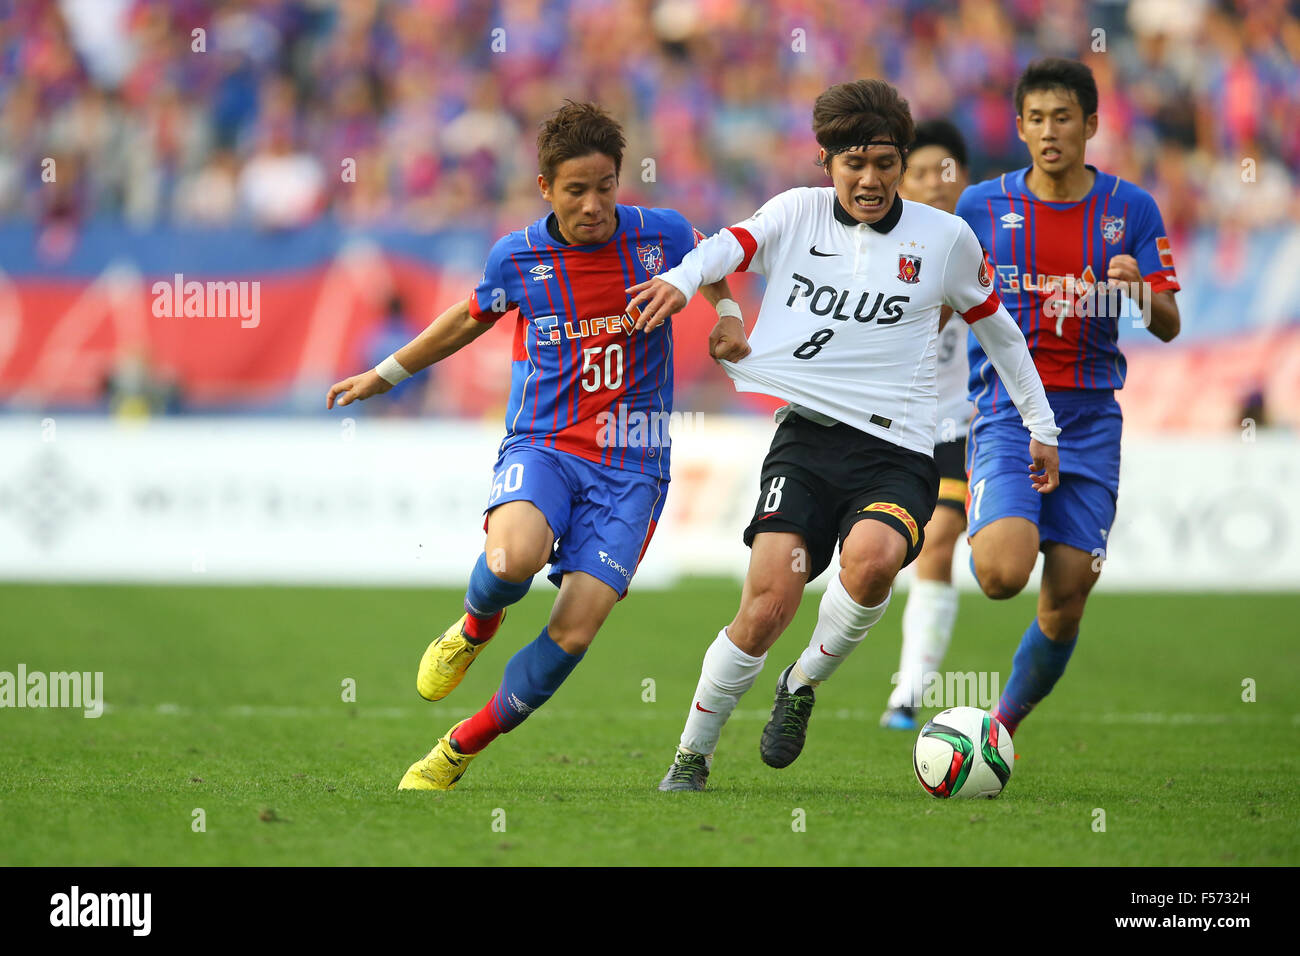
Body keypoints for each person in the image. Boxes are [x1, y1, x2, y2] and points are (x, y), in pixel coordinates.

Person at [626, 80, 1061, 792]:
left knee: (874, 560)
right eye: (854, 163)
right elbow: (726, 248)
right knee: (766, 605)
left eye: (886, 163)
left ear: (902, 162)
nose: (870, 179)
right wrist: (686, 285)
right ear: (825, 161)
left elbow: (1002, 335)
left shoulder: (944, 239)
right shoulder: (795, 214)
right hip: (807, 439)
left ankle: (801, 682)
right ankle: (692, 753)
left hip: (898, 451)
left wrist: (1042, 425)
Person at [327, 101, 740, 790]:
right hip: (546, 443)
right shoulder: (519, 256)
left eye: (605, 186)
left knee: (574, 633)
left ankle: (457, 749)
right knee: (513, 557)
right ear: (546, 187)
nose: (592, 204)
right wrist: (386, 374)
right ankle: (473, 626)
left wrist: (724, 313)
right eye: (575, 190)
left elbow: (718, 258)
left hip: (634, 464)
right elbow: (467, 318)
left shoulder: (660, 235)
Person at [956, 59, 1181, 738]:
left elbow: (1169, 324)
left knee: (1064, 602)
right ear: (1019, 126)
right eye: (1036, 119)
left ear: (1090, 124)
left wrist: (1139, 289)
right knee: (1000, 574)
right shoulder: (979, 207)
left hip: (1089, 418)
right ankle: (983, 507)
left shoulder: (1130, 209)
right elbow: (938, 300)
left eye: (1063, 118)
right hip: (1008, 412)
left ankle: (1002, 726)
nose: (1050, 132)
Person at [880, 119, 973, 731]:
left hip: (962, 423)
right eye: (918, 174)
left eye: (944, 173)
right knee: (880, 558)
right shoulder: (880, 248)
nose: (933, 185)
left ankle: (909, 693)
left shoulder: (984, 243)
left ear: (962, 178)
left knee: (937, 544)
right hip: (892, 424)